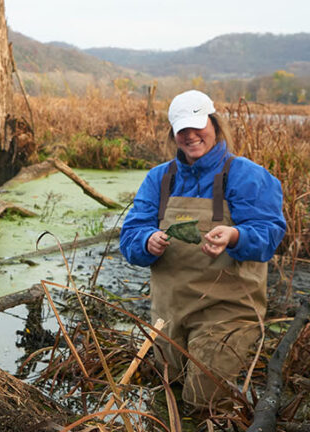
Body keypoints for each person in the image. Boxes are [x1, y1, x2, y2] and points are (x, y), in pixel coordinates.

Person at [119, 89, 286, 409]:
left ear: (215, 123)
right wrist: (146, 241)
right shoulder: (160, 178)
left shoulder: (246, 175)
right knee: (168, 399)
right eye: (183, 129)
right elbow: (131, 235)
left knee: (203, 403)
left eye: (199, 126)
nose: (192, 136)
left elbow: (269, 234)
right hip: (169, 314)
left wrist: (235, 236)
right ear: (173, 134)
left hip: (226, 312)